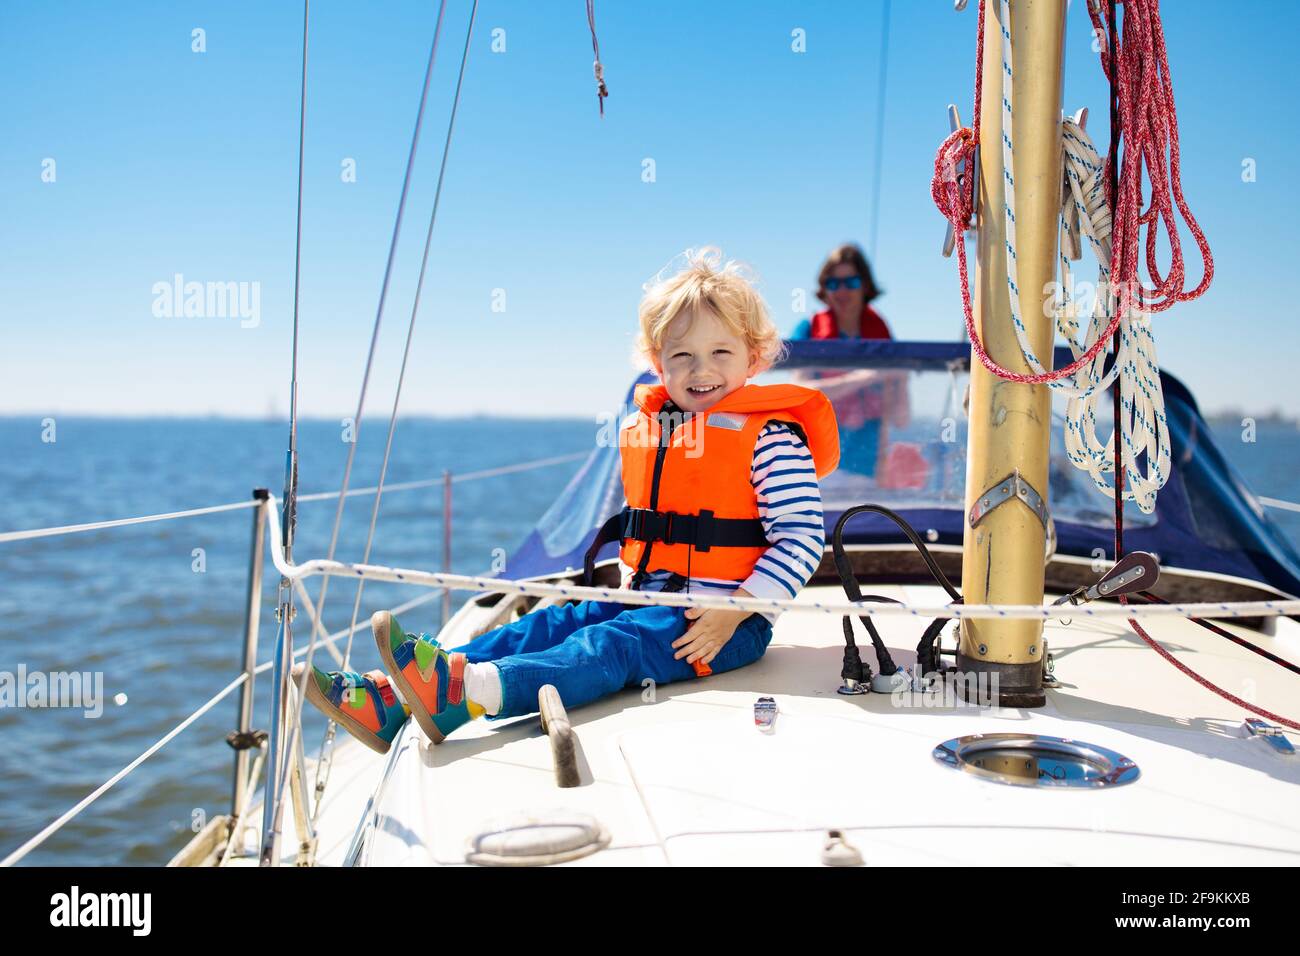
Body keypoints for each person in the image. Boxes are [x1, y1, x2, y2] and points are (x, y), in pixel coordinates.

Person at [293, 247, 840, 751]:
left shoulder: (770, 439)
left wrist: (735, 609)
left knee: (610, 647)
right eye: (683, 355)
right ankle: (392, 698)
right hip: (649, 598)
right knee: (550, 625)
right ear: (658, 361)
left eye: (721, 351)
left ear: (754, 358)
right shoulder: (662, 428)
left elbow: (802, 537)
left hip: (720, 627)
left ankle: (472, 694)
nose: (702, 370)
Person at [790, 243, 907, 480]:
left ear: (865, 286)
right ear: (824, 289)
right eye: (833, 284)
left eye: (851, 283)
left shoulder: (881, 335)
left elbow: (900, 419)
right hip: (816, 469)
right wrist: (863, 378)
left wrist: (901, 380)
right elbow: (799, 393)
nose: (841, 291)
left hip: (869, 471)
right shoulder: (808, 329)